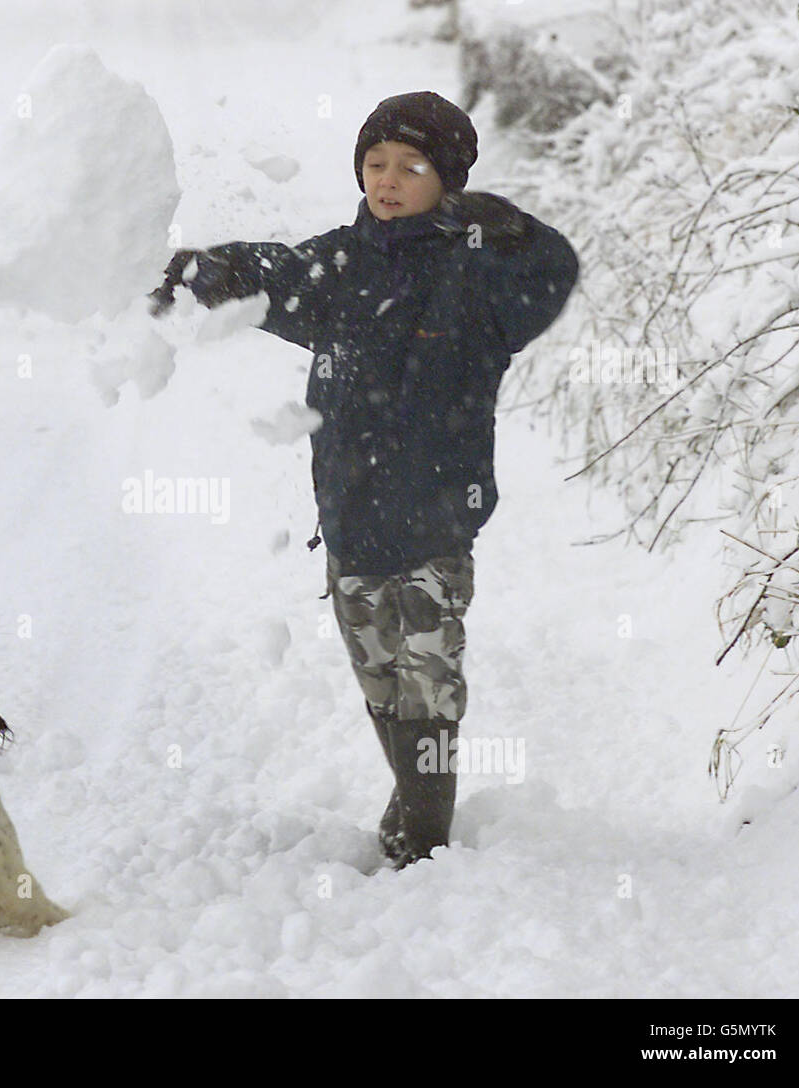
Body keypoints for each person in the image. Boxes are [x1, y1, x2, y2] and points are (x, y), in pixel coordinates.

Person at [149, 91, 579, 869]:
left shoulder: (477, 272)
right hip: (350, 521)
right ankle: (413, 803)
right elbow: (267, 273)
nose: (387, 180)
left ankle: (425, 840)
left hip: (437, 522)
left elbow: (554, 273)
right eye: (375, 164)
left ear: (445, 181)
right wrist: (193, 273)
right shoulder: (341, 264)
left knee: (429, 684)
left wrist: (506, 226)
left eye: (410, 168)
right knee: (381, 683)